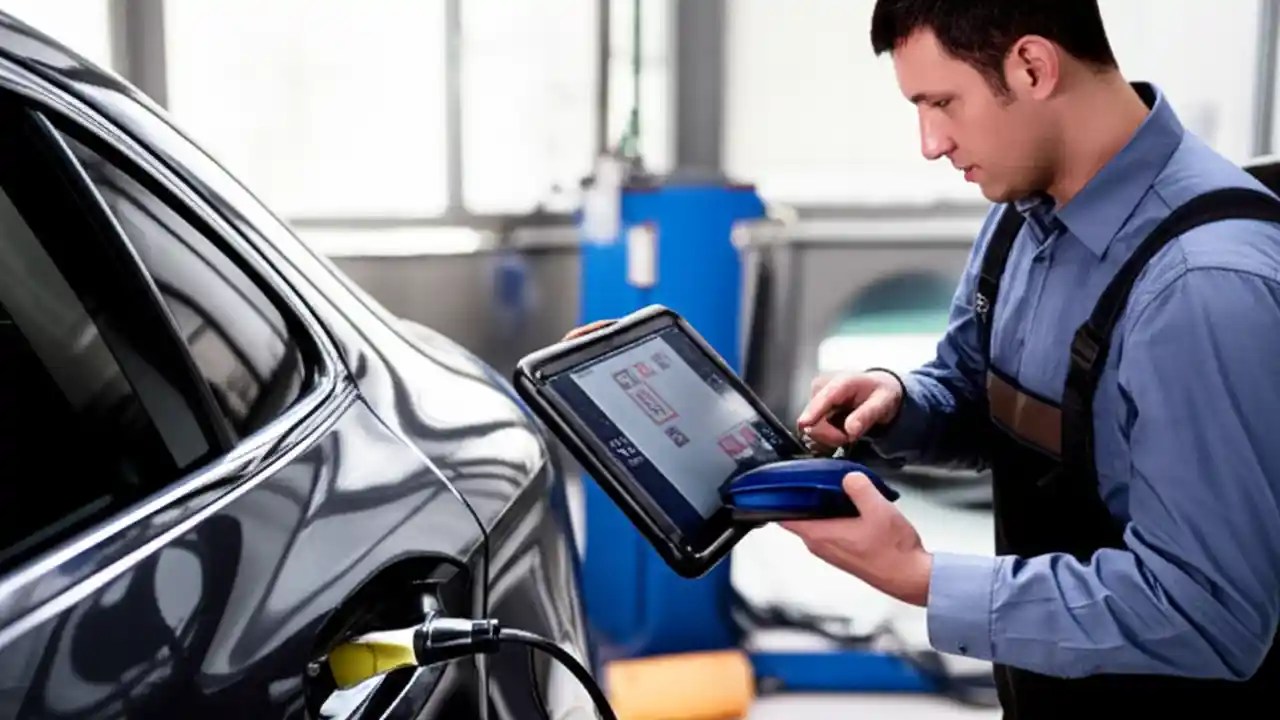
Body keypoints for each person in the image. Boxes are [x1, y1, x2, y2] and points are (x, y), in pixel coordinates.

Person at [784, 0, 1280, 715]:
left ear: (1033, 66)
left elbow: (1210, 613)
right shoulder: (1023, 213)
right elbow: (973, 388)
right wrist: (900, 403)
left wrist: (922, 576)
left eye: (942, 102)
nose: (930, 142)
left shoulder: (1203, 286)